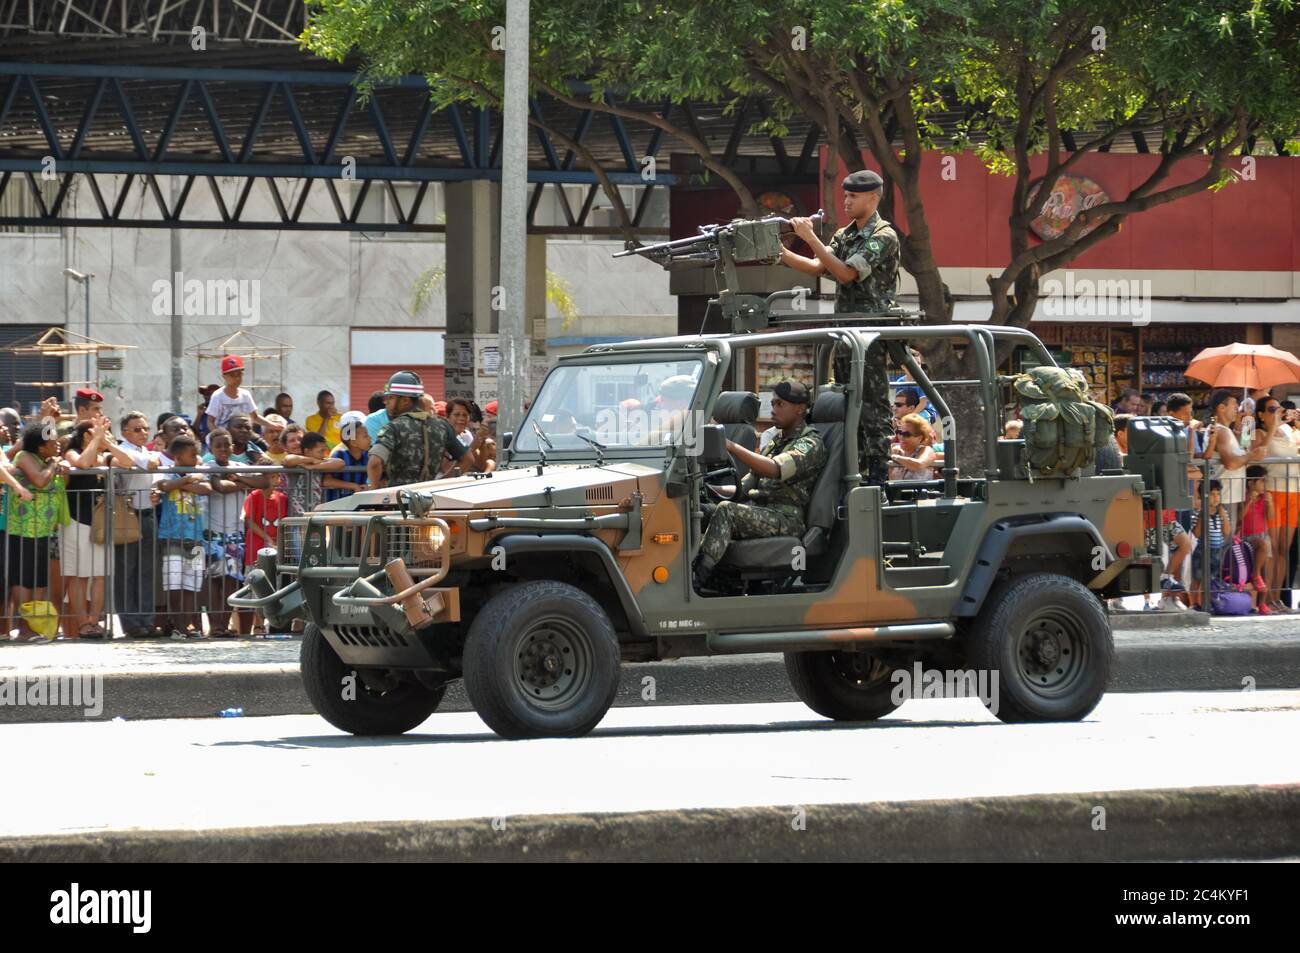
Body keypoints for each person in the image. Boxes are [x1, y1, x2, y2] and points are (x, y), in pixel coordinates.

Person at [780, 170, 898, 483]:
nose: (846, 201)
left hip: (870, 333)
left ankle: (878, 476)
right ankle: (852, 469)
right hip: (847, 333)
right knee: (848, 404)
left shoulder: (883, 235)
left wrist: (809, 237)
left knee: (873, 406)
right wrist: (778, 254)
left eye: (853, 196)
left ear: (873, 198)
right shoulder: (845, 235)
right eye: (845, 195)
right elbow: (819, 267)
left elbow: (845, 274)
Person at [693, 380, 826, 588]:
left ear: (800, 409)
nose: (773, 410)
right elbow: (743, 488)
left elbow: (775, 468)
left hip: (787, 519)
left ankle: (699, 578)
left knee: (727, 511)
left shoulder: (810, 444)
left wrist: (731, 446)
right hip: (761, 512)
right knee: (698, 511)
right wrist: (706, 489)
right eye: (772, 404)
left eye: (780, 404)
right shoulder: (775, 443)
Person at [60, 418, 136, 639]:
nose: (108, 435)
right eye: (104, 432)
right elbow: (83, 463)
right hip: (77, 521)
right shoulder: (72, 452)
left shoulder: (106, 456)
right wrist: (96, 440)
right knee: (79, 576)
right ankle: (83, 623)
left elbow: (128, 461)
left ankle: (95, 622)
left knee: (101, 575)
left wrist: (109, 444)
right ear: (87, 435)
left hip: (101, 524)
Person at [7, 425, 71, 641]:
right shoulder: (25, 457)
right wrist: (54, 464)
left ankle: (36, 626)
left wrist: (63, 471)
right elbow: (40, 482)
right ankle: (25, 628)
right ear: (41, 447)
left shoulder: (48, 461)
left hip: (44, 529)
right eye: (53, 442)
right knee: (24, 580)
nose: (58, 444)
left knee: (39, 581)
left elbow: (59, 486)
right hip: (24, 529)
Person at [204, 428, 269, 637]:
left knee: (232, 580)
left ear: (233, 446)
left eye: (227, 444)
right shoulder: (209, 466)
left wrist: (239, 478)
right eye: (218, 445)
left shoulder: (240, 466)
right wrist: (241, 482)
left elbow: (264, 482)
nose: (223, 449)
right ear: (211, 448)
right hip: (214, 533)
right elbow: (220, 486)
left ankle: (224, 624)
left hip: (236, 533)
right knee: (215, 580)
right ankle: (216, 625)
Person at [367, 371, 478, 489]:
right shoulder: (442, 426)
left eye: (390, 397)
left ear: (405, 400)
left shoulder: (393, 428)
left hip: (397, 501)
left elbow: (374, 463)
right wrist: (441, 484)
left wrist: (373, 494)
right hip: (429, 500)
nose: (386, 402)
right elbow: (468, 459)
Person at [154, 433, 211, 638]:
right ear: (177, 458)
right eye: (192, 454)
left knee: (192, 584)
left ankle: (187, 624)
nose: (196, 458)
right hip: (172, 538)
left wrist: (183, 482)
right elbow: (163, 486)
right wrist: (187, 480)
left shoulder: (199, 474)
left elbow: (206, 488)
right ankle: (177, 625)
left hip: (195, 539)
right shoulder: (167, 472)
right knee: (174, 583)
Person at [113, 411, 163, 638]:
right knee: (127, 571)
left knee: (146, 572)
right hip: (128, 515)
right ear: (124, 432)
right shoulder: (122, 449)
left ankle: (146, 619)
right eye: (137, 429)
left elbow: (154, 472)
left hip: (148, 514)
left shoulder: (144, 450)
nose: (143, 433)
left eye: (145, 428)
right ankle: (130, 622)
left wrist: (156, 494)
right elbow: (152, 463)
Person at [1248, 395, 1299, 612]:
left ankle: (1277, 597)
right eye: (1270, 409)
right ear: (1260, 414)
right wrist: (1272, 428)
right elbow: (1259, 454)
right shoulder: (1257, 432)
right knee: (1272, 547)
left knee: (1283, 550)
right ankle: (1265, 598)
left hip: (1293, 492)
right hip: (1272, 492)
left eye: (1278, 408)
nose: (1276, 412)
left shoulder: (1289, 431)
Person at [1201, 389, 1247, 522]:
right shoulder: (1220, 430)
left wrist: (1241, 426)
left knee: (1228, 538)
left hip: (1229, 493)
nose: (1237, 410)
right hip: (1224, 494)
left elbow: (1241, 450)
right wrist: (1251, 456)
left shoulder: (1225, 430)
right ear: (1221, 408)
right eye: (1234, 406)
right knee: (1223, 540)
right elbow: (1231, 463)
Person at [205, 355, 273, 433]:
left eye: (239, 375)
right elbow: (210, 422)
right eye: (232, 375)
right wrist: (220, 436)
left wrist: (273, 425)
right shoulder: (217, 396)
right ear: (224, 376)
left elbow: (255, 417)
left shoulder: (245, 395)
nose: (237, 378)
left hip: (242, 436)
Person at [1190, 480, 1229, 611]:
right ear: (1203, 496)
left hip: (1217, 551)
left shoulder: (1222, 512)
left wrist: (1223, 517)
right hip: (1201, 551)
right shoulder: (1197, 513)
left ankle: (1209, 604)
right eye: (1212, 494)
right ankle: (1194, 603)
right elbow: (1196, 533)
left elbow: (1227, 532)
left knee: (1212, 580)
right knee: (1198, 578)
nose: (1216, 498)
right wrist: (1203, 514)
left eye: (1218, 494)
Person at [1239, 465, 1274, 614]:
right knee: (1262, 545)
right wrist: (1249, 502)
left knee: (1267, 570)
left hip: (1263, 534)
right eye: (1262, 481)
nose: (1265, 485)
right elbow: (1239, 518)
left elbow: (1271, 517)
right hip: (1247, 537)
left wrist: (1270, 503)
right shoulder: (1243, 496)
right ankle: (1255, 574)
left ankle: (1262, 603)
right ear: (1251, 483)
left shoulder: (1264, 497)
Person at [321, 412, 371, 501]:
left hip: (359, 505)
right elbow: (326, 481)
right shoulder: (339, 455)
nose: (370, 438)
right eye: (365, 436)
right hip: (337, 506)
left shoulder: (368, 456)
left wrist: (368, 487)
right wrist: (353, 486)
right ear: (353, 443)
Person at [889, 414, 937, 481]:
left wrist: (894, 457)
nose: (901, 437)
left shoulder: (926, 450)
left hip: (919, 490)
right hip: (896, 490)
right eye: (899, 432)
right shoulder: (895, 450)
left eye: (907, 434)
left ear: (919, 438)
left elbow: (919, 464)